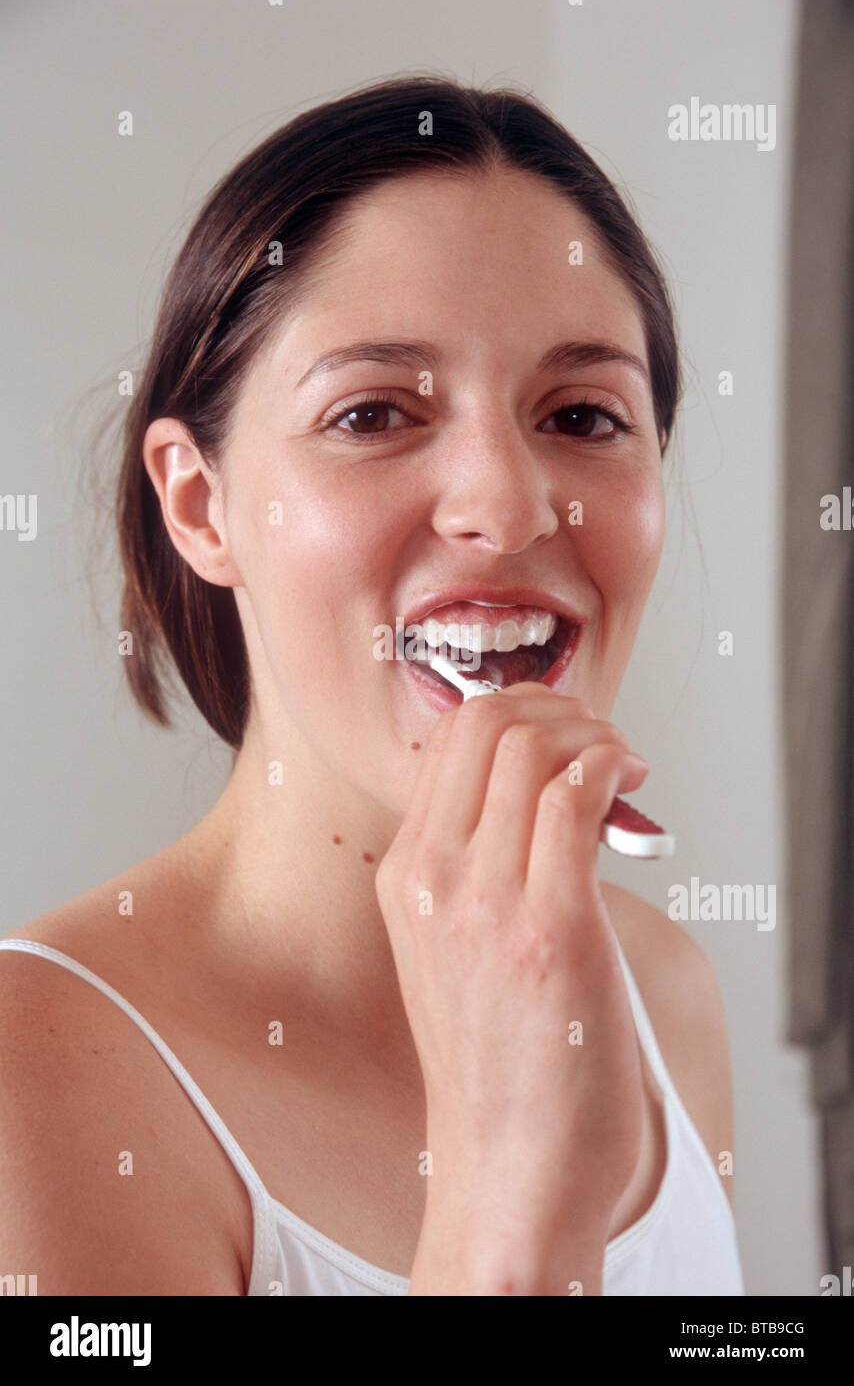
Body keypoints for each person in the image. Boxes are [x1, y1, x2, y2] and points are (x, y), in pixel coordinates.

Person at [0, 74, 744, 1296]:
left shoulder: (661, 987)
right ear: (201, 505)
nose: (505, 509)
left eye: (580, 414)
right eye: (373, 412)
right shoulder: (39, 1075)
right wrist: (509, 1199)